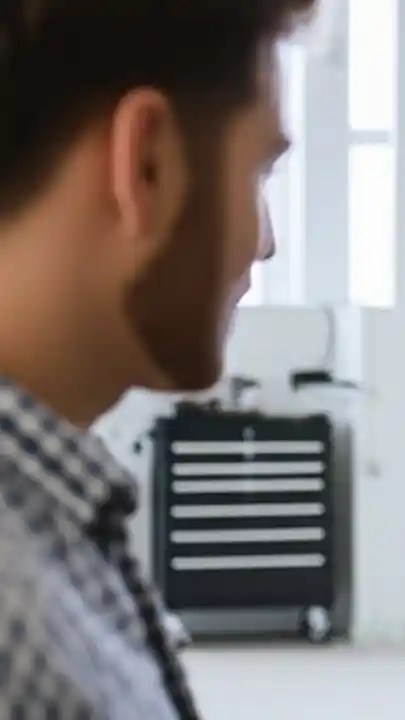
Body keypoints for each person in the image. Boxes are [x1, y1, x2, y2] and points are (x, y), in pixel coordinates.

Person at [0, 2, 314, 718]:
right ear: (146, 162)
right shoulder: (20, 634)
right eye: (259, 173)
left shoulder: (48, 518)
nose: (264, 242)